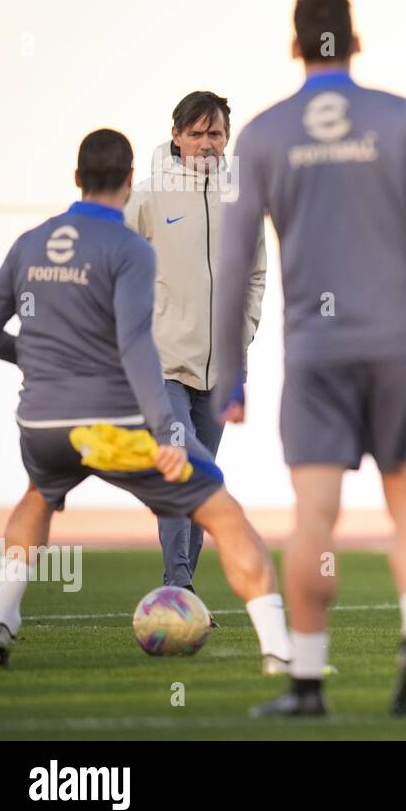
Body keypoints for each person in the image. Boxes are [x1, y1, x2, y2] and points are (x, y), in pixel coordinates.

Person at [214, 0, 406, 717]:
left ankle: (307, 683)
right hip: (401, 342)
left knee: (314, 519)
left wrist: (229, 375)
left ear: (295, 48)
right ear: (354, 43)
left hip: (319, 352)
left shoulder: (263, 135)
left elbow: (234, 265)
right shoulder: (404, 119)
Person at [0, 129, 292, 677]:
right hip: (115, 426)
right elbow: (137, 348)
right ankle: (280, 652)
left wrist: (34, 359)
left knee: (36, 498)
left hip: (41, 423)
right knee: (223, 513)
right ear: (129, 182)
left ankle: (1, 622)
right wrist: (169, 431)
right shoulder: (129, 249)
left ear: (76, 179)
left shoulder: (30, 242)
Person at [126, 90, 267, 597]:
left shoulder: (243, 195)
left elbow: (256, 275)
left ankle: (182, 588)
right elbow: (115, 266)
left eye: (216, 134)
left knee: (202, 482)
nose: (208, 144)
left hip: (224, 369)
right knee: (180, 470)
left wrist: (242, 335)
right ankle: (178, 587)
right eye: (197, 134)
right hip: (163, 365)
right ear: (177, 137)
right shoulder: (146, 196)